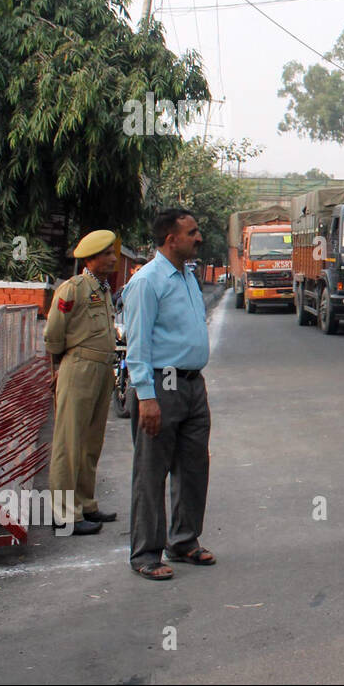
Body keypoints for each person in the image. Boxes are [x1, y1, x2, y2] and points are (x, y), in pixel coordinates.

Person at [122, 209, 215, 581]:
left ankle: (184, 540)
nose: (198, 237)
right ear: (170, 239)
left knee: (194, 466)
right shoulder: (147, 281)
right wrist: (146, 396)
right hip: (162, 384)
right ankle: (146, 553)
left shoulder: (188, 276)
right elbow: (138, 343)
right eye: (192, 232)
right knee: (151, 471)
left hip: (193, 385)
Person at [43, 230, 120, 536]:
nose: (113, 259)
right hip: (78, 368)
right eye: (107, 254)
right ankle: (64, 514)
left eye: (113, 254)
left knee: (91, 442)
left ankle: (86, 503)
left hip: (102, 370)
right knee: (69, 444)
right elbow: (53, 335)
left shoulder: (103, 290)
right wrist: (58, 367)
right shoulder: (72, 288)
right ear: (91, 258)